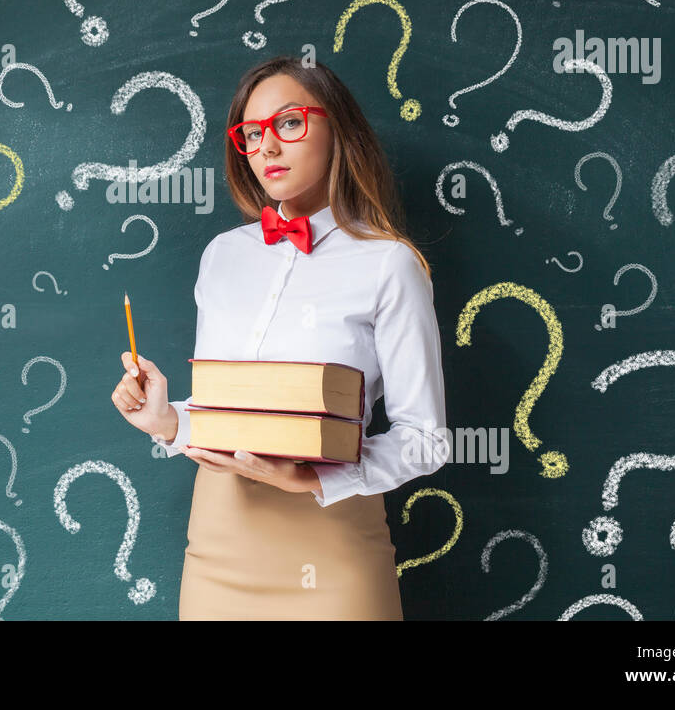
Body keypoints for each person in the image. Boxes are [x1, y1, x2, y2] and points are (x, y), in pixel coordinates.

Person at [110, 55, 449, 619]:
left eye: (289, 123)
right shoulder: (222, 257)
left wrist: (312, 475)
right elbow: (231, 417)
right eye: (251, 133)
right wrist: (167, 420)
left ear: (337, 128)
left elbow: (427, 440)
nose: (267, 147)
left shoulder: (390, 265)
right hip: (218, 549)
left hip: (335, 548)